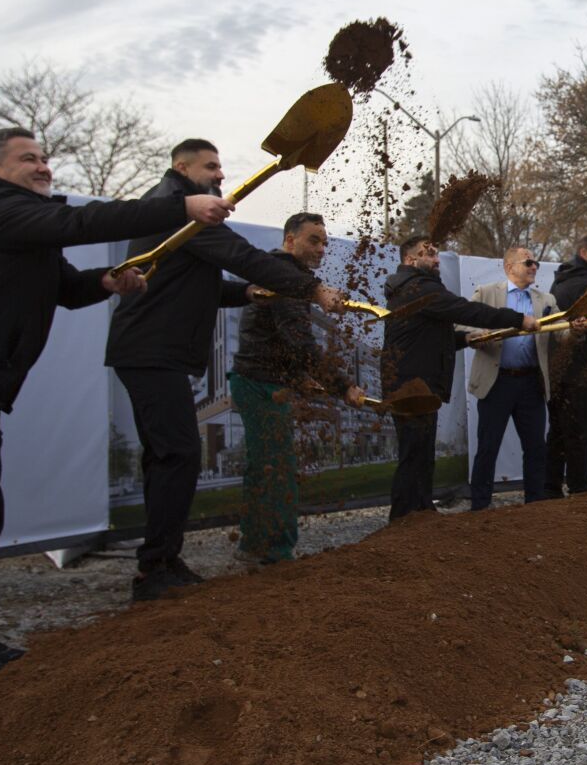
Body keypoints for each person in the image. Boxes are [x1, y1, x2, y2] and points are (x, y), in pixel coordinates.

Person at [0, 127, 232, 672]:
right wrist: (180, 206)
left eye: (44, 158)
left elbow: (63, 285)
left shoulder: (19, 221)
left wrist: (107, 282)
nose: (42, 167)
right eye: (27, 159)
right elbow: (81, 222)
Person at [106, 139, 345, 603]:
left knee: (168, 456)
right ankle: (156, 567)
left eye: (221, 167)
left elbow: (200, 282)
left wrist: (246, 294)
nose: (219, 174)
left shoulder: (173, 214)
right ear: (182, 167)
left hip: (154, 350)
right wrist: (313, 289)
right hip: (150, 350)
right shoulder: (176, 211)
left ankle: (163, 560)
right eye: (210, 166)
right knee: (176, 455)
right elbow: (241, 255)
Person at [227, 212, 366, 565]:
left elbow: (288, 344)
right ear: (290, 240)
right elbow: (301, 343)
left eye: (324, 242)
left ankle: (256, 545)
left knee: (266, 466)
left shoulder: (294, 279)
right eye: (312, 240)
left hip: (265, 381)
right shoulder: (285, 279)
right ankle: (275, 553)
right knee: (277, 468)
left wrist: (302, 379)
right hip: (260, 385)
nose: (321, 249)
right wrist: (343, 386)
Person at [382, 235, 537, 521]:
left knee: (422, 451)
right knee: (414, 453)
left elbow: (429, 338)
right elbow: (468, 310)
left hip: (416, 383)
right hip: (410, 386)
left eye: (436, 254)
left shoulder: (410, 288)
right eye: (428, 254)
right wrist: (517, 319)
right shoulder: (418, 288)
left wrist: (466, 338)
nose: (436, 259)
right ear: (409, 260)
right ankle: (402, 518)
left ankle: (421, 511)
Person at [465, 247, 559, 511]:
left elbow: (561, 335)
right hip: (497, 383)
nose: (534, 267)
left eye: (536, 263)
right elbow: (463, 323)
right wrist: (478, 334)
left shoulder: (546, 300)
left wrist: (576, 331)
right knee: (488, 447)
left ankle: (535, 505)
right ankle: (480, 507)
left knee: (536, 448)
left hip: (531, 383)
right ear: (509, 267)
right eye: (528, 262)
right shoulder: (486, 293)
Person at [544, 232, 587, 497]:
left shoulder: (561, 280)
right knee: (581, 434)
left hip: (557, 371)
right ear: (585, 253)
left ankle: (550, 489)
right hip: (576, 372)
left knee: (558, 432)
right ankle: (580, 490)